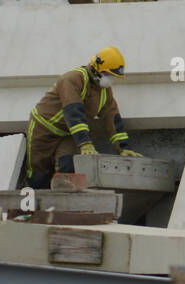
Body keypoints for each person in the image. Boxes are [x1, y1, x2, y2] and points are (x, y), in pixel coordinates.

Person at [24, 46, 142, 188]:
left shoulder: (105, 91)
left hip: (68, 134)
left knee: (66, 166)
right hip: (43, 129)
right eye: (108, 74)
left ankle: (58, 206)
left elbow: (113, 118)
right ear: (96, 68)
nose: (110, 80)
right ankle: (31, 206)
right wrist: (85, 143)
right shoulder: (72, 78)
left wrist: (122, 147)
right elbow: (73, 112)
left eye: (113, 77)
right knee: (37, 175)